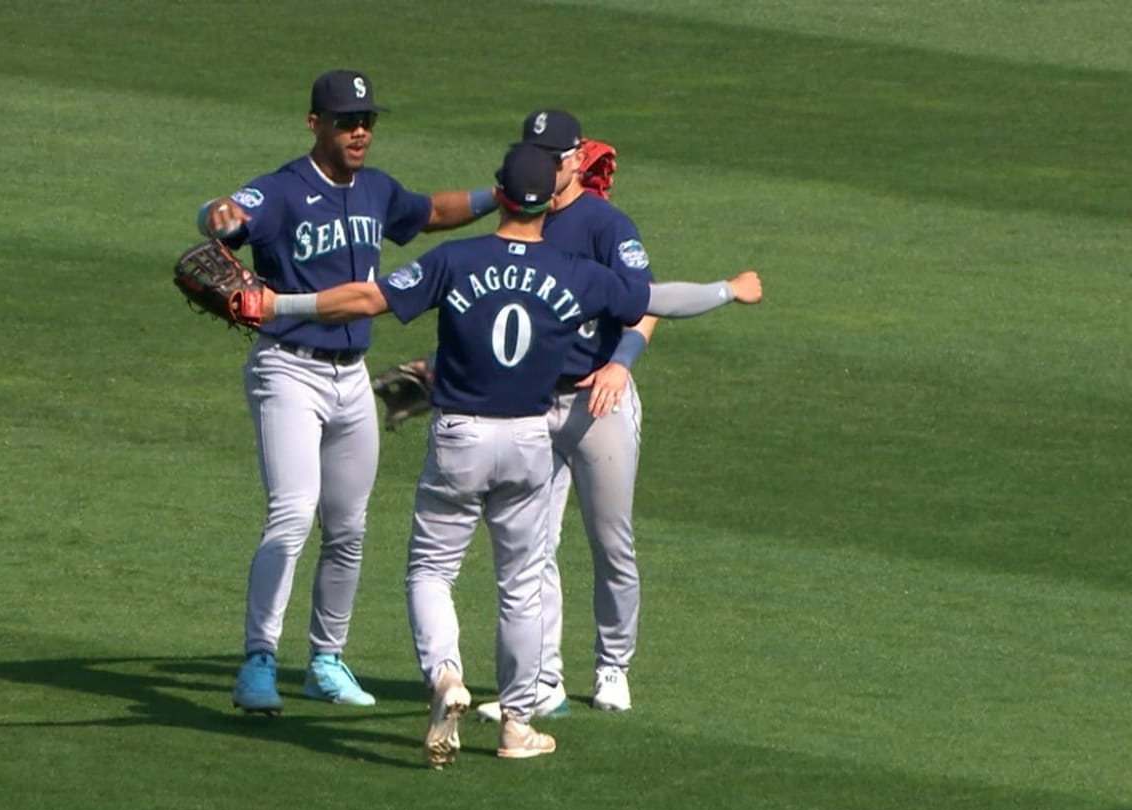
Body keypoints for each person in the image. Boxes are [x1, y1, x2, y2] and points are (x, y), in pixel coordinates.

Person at [249, 142, 763, 765]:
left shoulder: (456, 259)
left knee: (431, 572)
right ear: (549, 201)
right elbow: (657, 299)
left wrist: (277, 304)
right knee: (522, 585)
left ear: (500, 194)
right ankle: (518, 724)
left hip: (460, 438)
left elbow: (365, 299)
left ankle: (446, 674)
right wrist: (729, 289)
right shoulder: (574, 272)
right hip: (529, 441)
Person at [195, 69, 497, 716]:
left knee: (349, 528)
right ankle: (258, 659)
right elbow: (226, 215)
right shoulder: (282, 189)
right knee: (292, 513)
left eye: (367, 121)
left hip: (353, 377)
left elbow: (430, 213)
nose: (360, 132)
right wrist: (216, 215)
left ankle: (326, 661)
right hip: (287, 370)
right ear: (316, 124)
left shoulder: (376, 189)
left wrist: (498, 197)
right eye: (346, 122)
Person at [475, 110, 758, 722]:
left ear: (577, 160)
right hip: (531, 405)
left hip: (596, 404)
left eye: (554, 157)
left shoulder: (606, 225)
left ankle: (613, 665)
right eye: (534, 154)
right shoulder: (519, 220)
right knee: (531, 547)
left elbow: (645, 304)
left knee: (610, 542)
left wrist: (620, 365)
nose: (543, 166)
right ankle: (540, 681)